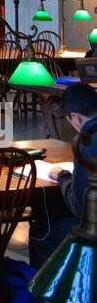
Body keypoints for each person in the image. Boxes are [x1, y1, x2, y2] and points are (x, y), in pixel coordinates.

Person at [29, 83, 97, 267]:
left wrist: (62, 176)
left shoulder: (87, 143)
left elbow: (79, 206)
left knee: (41, 230)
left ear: (75, 117)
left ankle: (48, 293)